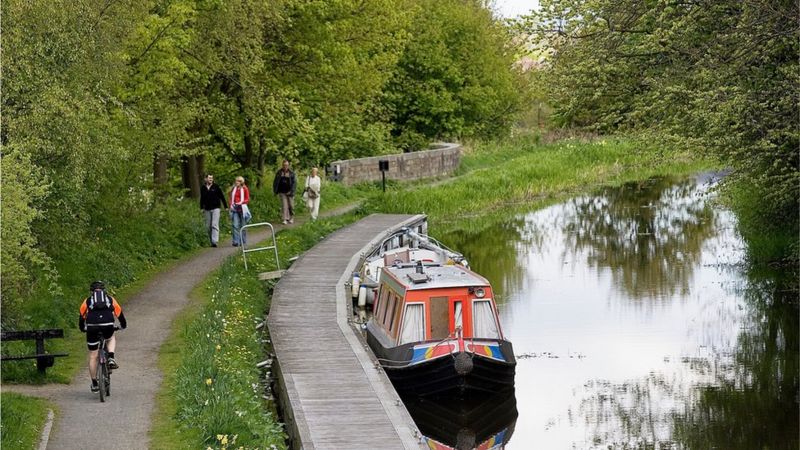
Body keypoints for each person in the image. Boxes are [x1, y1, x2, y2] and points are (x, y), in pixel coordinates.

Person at [79, 281, 127, 393]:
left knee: (92, 355)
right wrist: (123, 325)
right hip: (107, 326)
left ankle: (94, 383)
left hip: (92, 328)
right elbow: (119, 313)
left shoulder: (87, 301)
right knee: (110, 338)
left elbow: (81, 316)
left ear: (92, 291)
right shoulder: (110, 299)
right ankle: (111, 357)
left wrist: (82, 328)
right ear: (104, 290)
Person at [200, 174, 228, 247]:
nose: (211, 179)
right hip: (207, 208)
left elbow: (222, 196)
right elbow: (202, 198)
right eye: (209, 178)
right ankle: (211, 241)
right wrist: (201, 208)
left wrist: (225, 206)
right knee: (208, 226)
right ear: (205, 179)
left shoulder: (216, 187)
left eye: (211, 178)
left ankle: (215, 241)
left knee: (214, 224)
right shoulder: (203, 188)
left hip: (216, 208)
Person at [272, 159, 296, 224]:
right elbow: (275, 182)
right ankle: (285, 219)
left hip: (290, 192)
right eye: (284, 165)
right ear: (282, 165)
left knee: (291, 206)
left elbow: (294, 184)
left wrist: (291, 191)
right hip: (282, 192)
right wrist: (275, 190)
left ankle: (291, 217)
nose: (285, 166)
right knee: (284, 206)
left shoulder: (291, 173)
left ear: (288, 166)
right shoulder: (279, 172)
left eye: (287, 165)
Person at [229, 176, 250, 246]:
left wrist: (241, 202)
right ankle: (235, 241)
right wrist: (231, 204)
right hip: (235, 209)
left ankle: (243, 241)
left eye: (238, 181)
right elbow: (231, 197)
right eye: (236, 181)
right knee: (235, 225)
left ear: (241, 182)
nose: (236, 182)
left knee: (243, 225)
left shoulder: (245, 189)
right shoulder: (234, 189)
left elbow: (247, 199)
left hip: (242, 209)